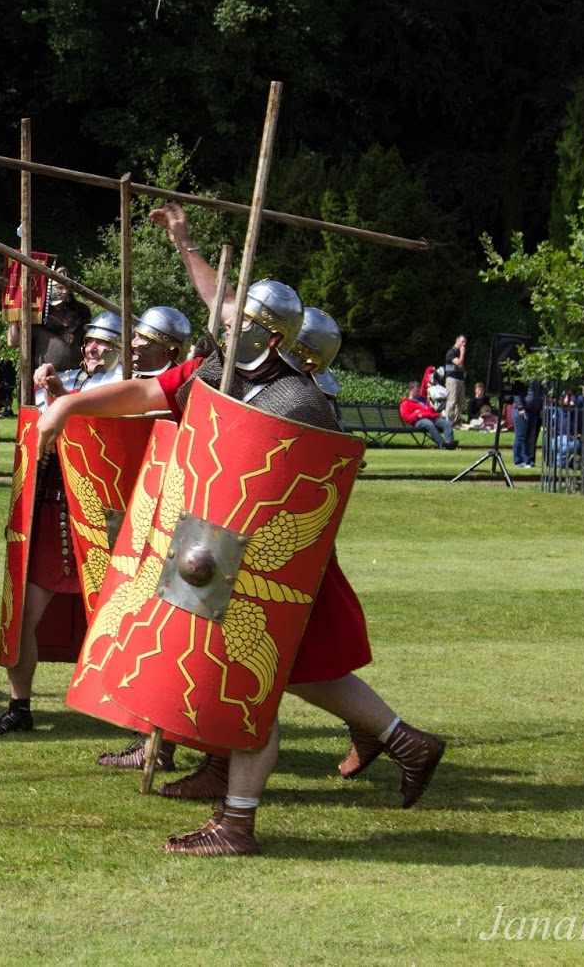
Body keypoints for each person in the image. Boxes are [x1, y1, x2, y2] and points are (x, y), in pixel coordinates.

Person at [43, 202, 444, 856]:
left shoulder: (301, 402)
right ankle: (397, 743)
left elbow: (310, 491)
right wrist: (69, 403)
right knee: (286, 674)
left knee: (251, 683)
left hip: (263, 564)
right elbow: (144, 394)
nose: (227, 331)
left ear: (272, 337)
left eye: (243, 325)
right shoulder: (217, 374)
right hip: (210, 551)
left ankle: (238, 821)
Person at [0, 311, 128, 736]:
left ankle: (134, 712)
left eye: (103, 342)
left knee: (120, 617)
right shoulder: (71, 380)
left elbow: (94, 431)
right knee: (23, 614)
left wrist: (60, 393)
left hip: (106, 522)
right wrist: (51, 390)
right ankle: (19, 705)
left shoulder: (124, 388)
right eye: (89, 341)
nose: (92, 348)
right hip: (50, 513)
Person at [6, 263, 92, 374]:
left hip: (75, 378)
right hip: (45, 380)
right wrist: (15, 313)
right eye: (60, 288)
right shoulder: (37, 317)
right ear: (49, 288)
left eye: (67, 288)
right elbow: (13, 342)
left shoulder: (79, 315)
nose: (65, 292)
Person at [400, 383, 457, 449]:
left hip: (431, 418)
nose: (419, 393)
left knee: (447, 423)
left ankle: (449, 443)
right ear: (411, 391)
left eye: (419, 391)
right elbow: (406, 417)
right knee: (429, 424)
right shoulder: (406, 403)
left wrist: (437, 415)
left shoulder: (423, 400)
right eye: (417, 391)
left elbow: (431, 411)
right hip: (418, 421)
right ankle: (443, 445)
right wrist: (416, 415)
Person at [443, 334, 467, 426]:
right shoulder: (451, 352)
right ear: (457, 341)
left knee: (460, 402)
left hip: (460, 380)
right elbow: (459, 364)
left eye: (465, 342)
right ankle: (449, 422)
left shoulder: (461, 353)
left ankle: (457, 422)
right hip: (452, 380)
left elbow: (462, 367)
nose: (464, 344)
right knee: (452, 401)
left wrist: (464, 372)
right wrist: (462, 353)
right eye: (462, 341)